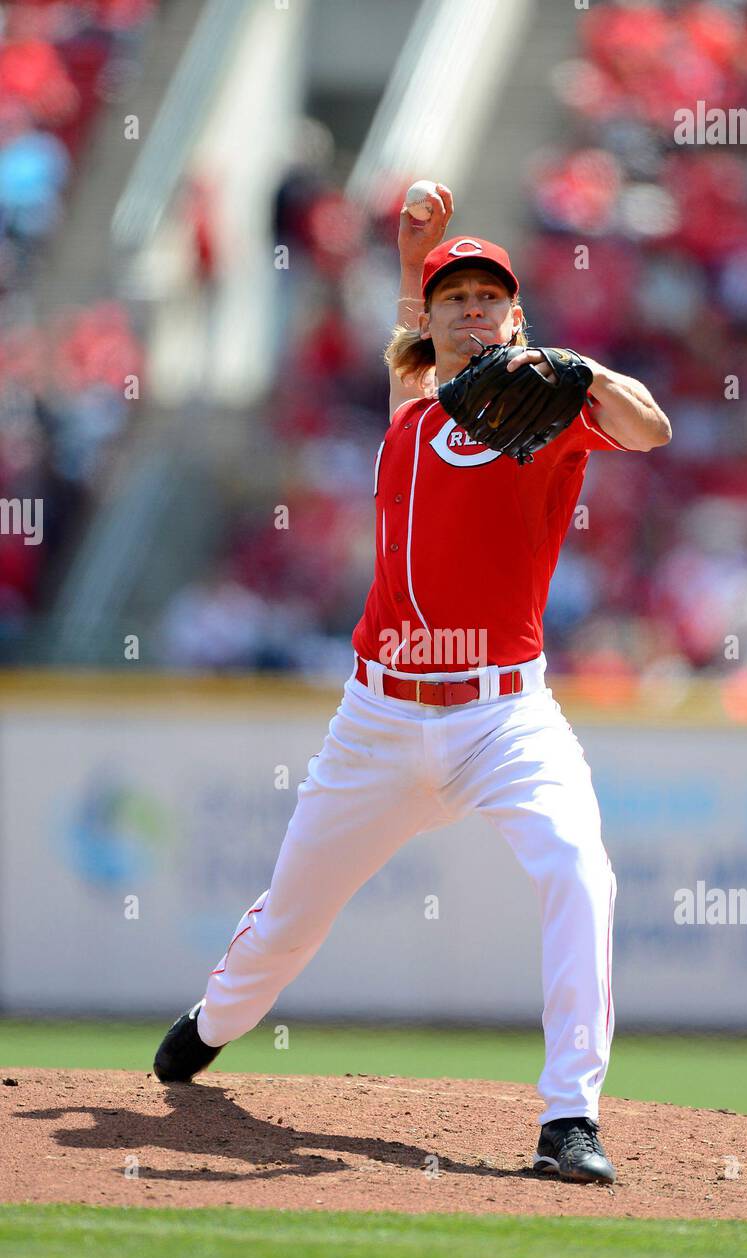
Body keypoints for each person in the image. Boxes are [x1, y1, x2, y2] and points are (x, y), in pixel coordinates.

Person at [153, 184, 671, 1185]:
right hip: (377, 721)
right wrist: (410, 261)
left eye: (489, 297)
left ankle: (568, 1115)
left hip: (503, 714)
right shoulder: (411, 404)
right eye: (452, 298)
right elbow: (410, 348)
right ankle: (211, 1023)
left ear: (516, 316)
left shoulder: (551, 410)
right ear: (426, 323)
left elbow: (648, 430)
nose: (472, 309)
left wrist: (581, 370)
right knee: (287, 922)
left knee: (578, 868)